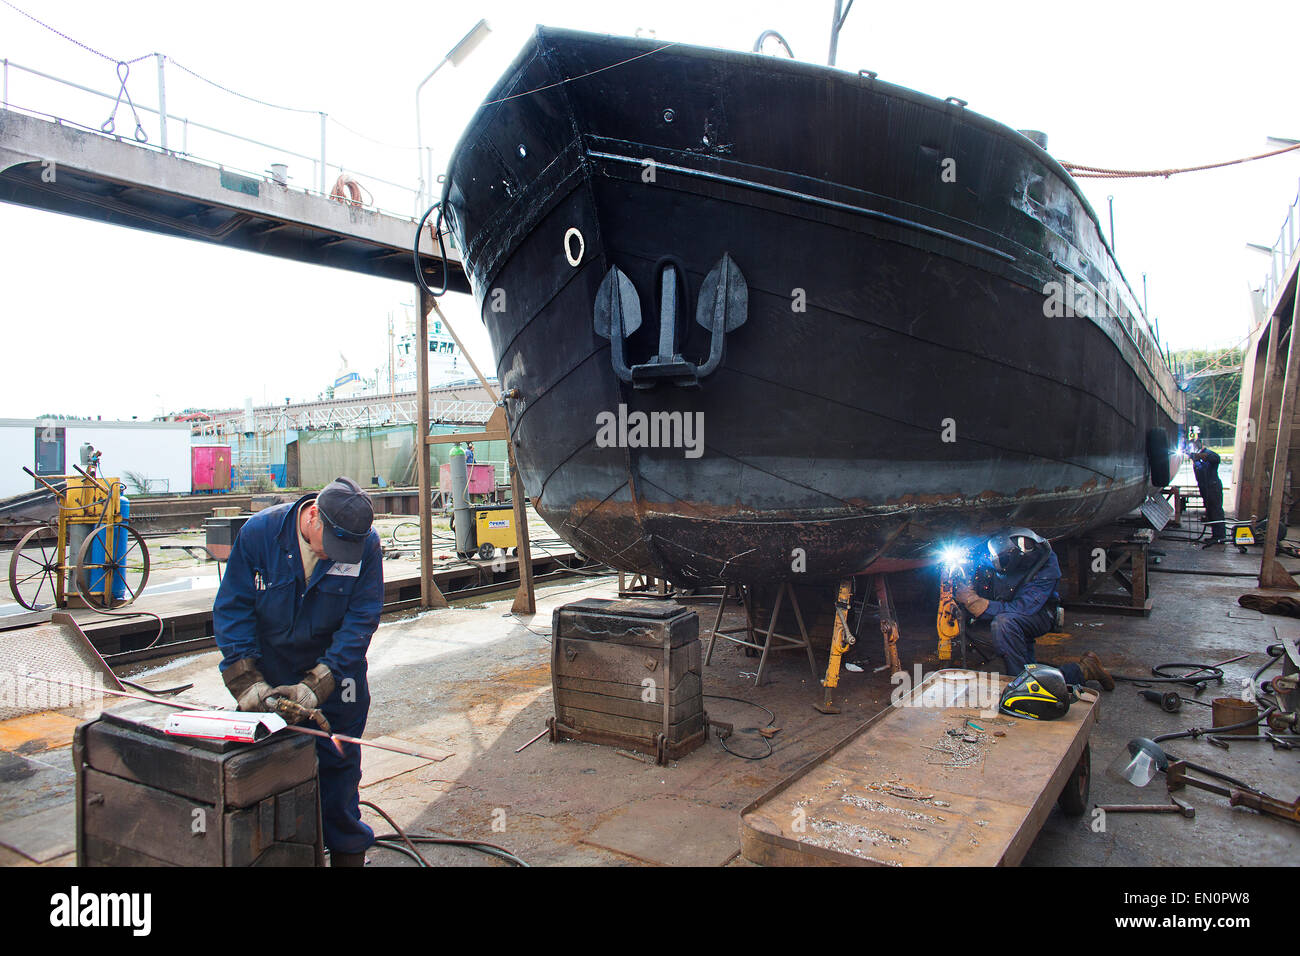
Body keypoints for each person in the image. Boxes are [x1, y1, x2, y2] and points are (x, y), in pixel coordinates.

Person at [213, 476, 383, 867]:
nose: (335, 555)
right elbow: (233, 607)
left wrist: (321, 680)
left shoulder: (364, 545)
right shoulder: (260, 534)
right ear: (312, 518)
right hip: (270, 671)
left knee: (339, 766)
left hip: (337, 675)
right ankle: (283, 853)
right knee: (266, 768)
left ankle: (346, 852)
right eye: (333, 546)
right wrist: (246, 681)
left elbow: (362, 618)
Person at [954, 527, 1113, 690]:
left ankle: (1022, 688)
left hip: (1039, 614)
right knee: (1026, 664)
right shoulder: (1000, 549)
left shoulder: (1046, 565)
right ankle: (1084, 670)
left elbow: (1023, 608)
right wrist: (967, 580)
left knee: (1004, 624)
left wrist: (982, 605)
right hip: (1012, 610)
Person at [1192, 445, 1226, 545]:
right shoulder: (1196, 460)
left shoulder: (1209, 454)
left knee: (1216, 511)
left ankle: (1219, 536)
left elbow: (1216, 458)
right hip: (1205, 488)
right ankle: (1215, 535)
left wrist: (1200, 456)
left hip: (1213, 487)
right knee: (1210, 512)